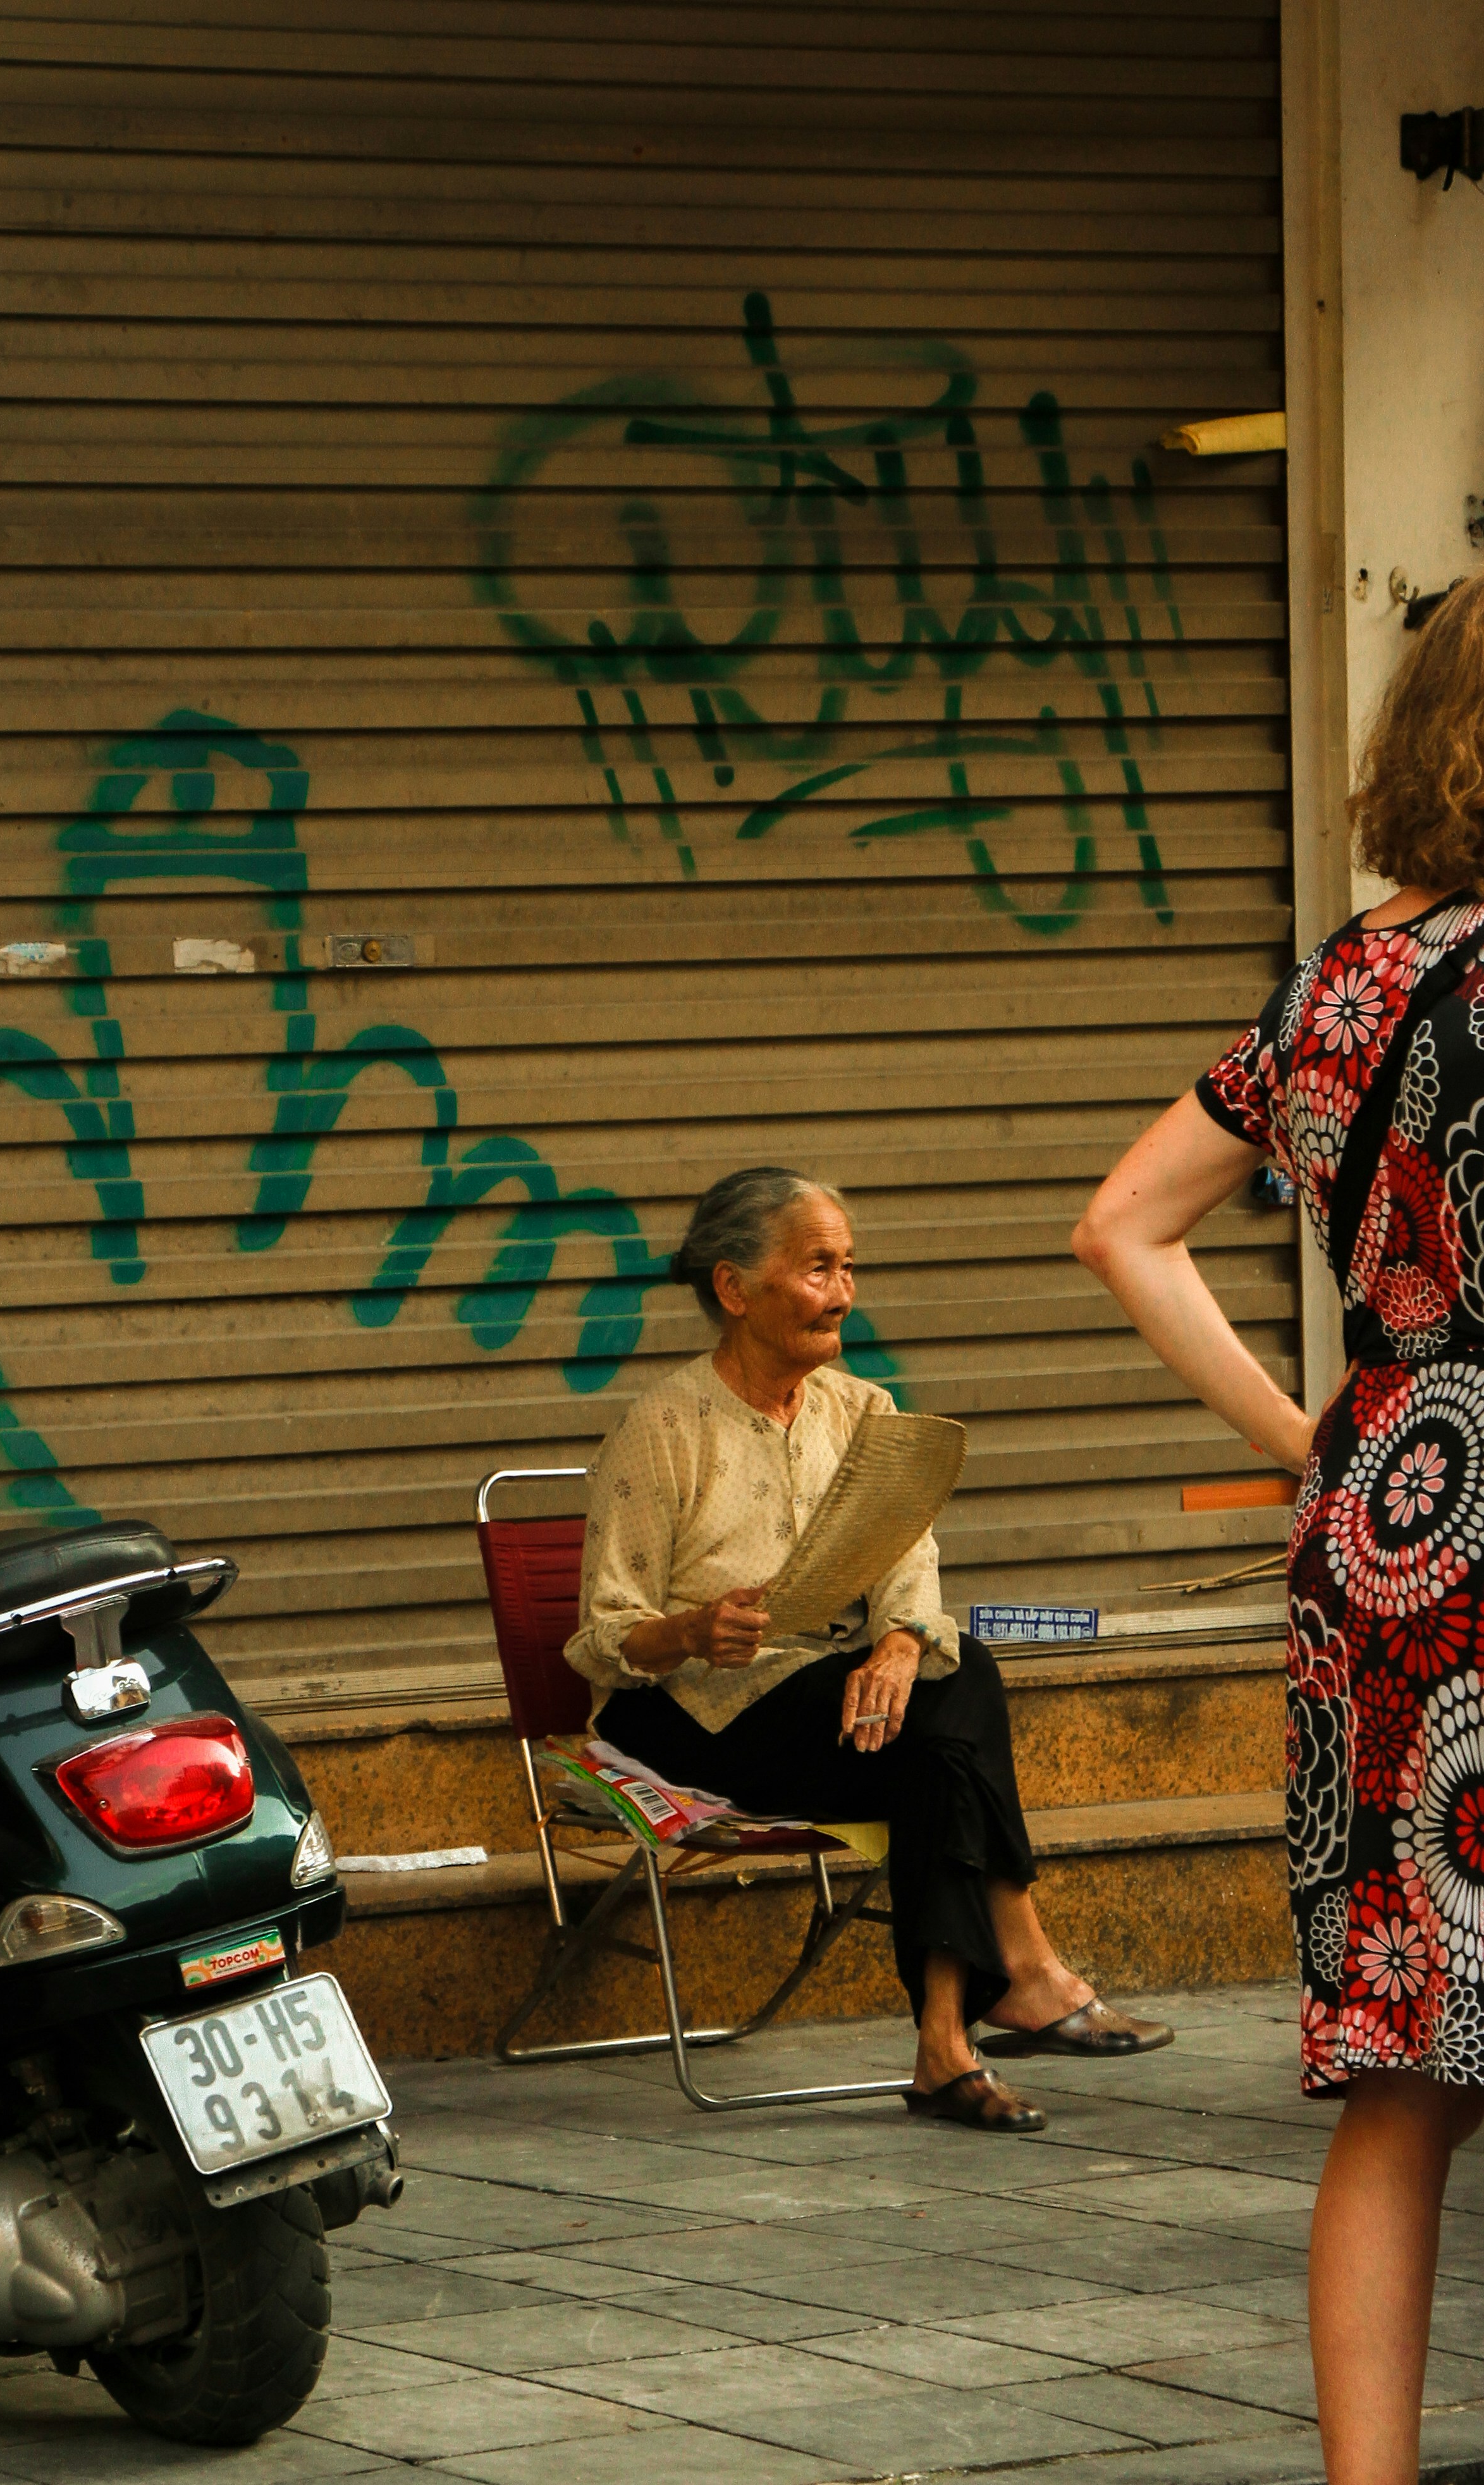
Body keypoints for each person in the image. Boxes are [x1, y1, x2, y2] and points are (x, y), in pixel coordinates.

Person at [1072, 572, 1484, 2485]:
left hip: (1390, 1529)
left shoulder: (1336, 983)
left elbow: (1120, 1226)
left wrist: (1317, 1433)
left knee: (1402, 2081)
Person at [566, 1164, 1171, 2134]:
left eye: (848, 1266)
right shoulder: (662, 1428)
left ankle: (946, 2045)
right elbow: (601, 1639)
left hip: (835, 1697)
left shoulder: (865, 1411)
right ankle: (1022, 1968)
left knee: (942, 1699)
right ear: (733, 1287)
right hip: (691, 1711)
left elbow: (908, 1575)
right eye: (817, 1268)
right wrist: (690, 1628)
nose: (842, 1290)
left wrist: (898, 1644)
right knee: (944, 1716)